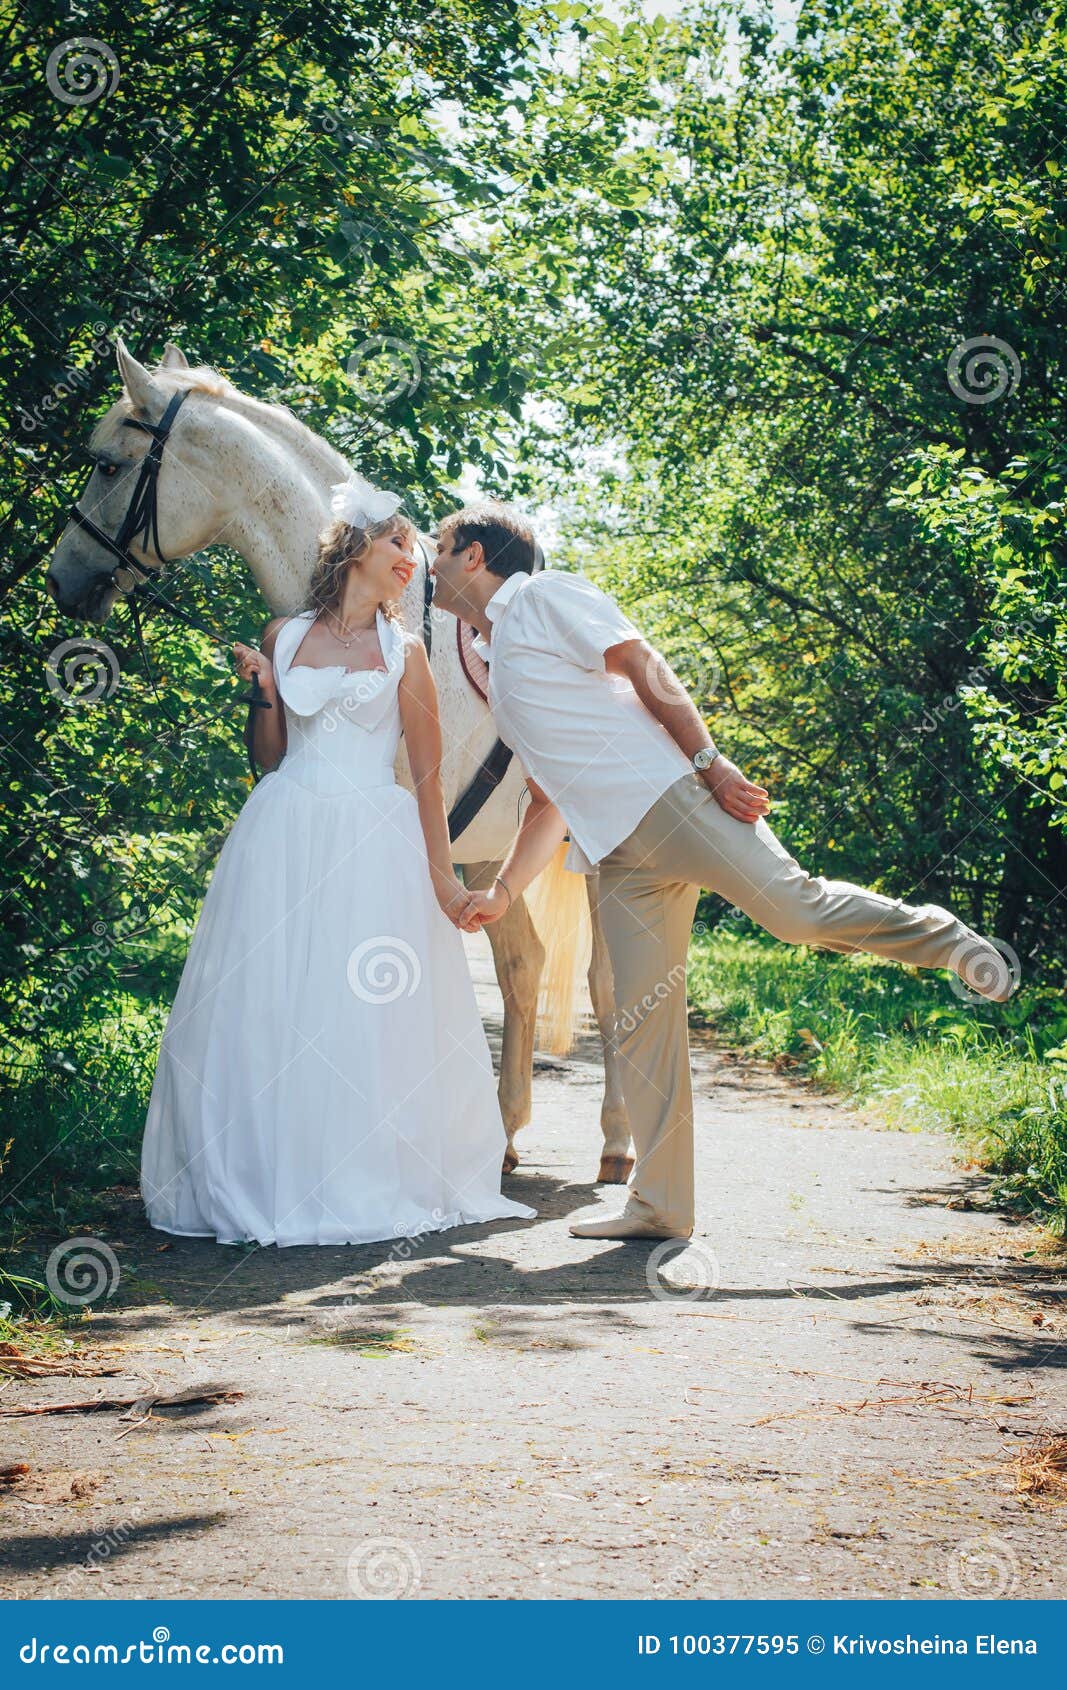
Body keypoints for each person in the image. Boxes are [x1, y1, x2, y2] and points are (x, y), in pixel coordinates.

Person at [430, 502, 1017, 1243]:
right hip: (615, 857)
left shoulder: (546, 597)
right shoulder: (497, 657)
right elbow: (547, 799)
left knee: (794, 912)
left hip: (673, 800)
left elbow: (642, 663)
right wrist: (503, 890)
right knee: (641, 1025)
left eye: (441, 548)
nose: (431, 562)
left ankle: (946, 940)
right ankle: (660, 1205)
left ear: (475, 556)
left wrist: (710, 763)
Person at [139, 474, 535, 1248]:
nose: (410, 557)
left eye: (414, 546)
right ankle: (264, 1170)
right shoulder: (282, 635)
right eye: (397, 542)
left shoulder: (406, 650)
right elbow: (268, 757)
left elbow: (423, 776)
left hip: (370, 836)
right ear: (354, 546)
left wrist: (440, 876)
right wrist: (261, 690)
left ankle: (360, 1168)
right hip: (283, 826)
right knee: (272, 1001)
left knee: (361, 1011)